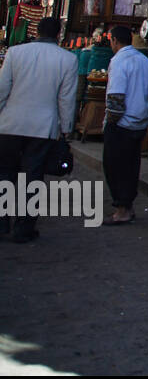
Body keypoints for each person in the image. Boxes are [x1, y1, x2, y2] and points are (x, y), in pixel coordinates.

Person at [0, 16, 78, 241]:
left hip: (10, 124)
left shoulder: (15, 53)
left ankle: (2, 224)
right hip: (43, 127)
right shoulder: (68, 59)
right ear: (58, 34)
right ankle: (23, 228)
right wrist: (66, 128)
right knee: (32, 177)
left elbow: (3, 89)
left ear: (37, 32)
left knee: (5, 174)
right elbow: (66, 98)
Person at [102, 25, 148, 226]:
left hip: (121, 123)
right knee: (131, 166)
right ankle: (127, 206)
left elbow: (116, 96)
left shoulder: (118, 61)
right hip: (139, 122)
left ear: (115, 40)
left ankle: (122, 209)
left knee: (115, 166)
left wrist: (110, 122)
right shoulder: (146, 62)